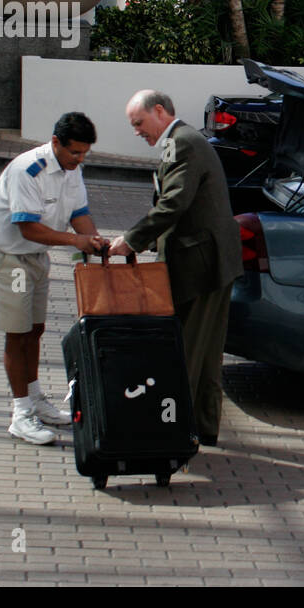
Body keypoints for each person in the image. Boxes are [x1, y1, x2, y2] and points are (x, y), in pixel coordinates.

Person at [108, 91, 242, 446]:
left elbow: (173, 204)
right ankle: (202, 427)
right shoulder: (181, 142)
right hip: (208, 262)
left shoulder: (183, 143)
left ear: (159, 111)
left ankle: (173, 431)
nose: (137, 131)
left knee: (187, 352)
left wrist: (132, 239)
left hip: (201, 265)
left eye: (139, 123)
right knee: (205, 352)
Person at [0, 112, 106, 445]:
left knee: (35, 329)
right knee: (17, 332)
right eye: (74, 152)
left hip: (35, 256)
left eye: (84, 153)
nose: (79, 160)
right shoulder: (27, 170)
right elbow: (28, 227)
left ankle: (35, 400)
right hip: (9, 258)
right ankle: (20, 414)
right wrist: (76, 242)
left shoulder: (72, 171)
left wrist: (94, 242)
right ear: (55, 143)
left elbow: (79, 215)